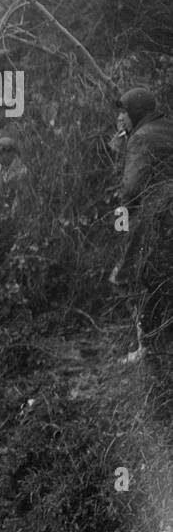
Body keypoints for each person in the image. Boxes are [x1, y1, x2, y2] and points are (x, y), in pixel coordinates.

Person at [111, 86, 173, 361]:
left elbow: (131, 188)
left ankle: (147, 345)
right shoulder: (166, 126)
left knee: (127, 277)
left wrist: (121, 221)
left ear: (136, 112)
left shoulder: (141, 138)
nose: (119, 119)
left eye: (124, 112)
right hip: (165, 215)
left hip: (153, 213)